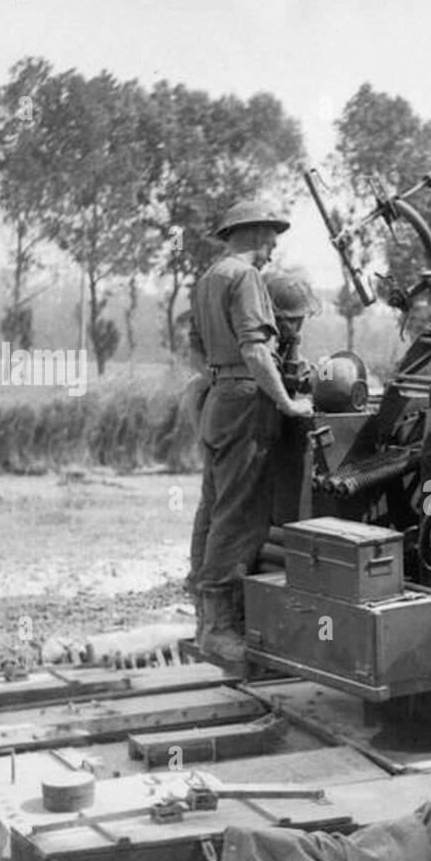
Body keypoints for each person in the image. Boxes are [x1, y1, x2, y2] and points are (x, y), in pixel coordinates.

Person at [186, 201, 313, 666]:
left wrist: (222, 379)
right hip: (245, 400)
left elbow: (196, 351)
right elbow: (257, 350)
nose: (273, 248)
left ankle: (206, 615)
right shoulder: (245, 278)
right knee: (241, 514)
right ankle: (219, 629)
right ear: (254, 232)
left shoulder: (208, 278)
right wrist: (287, 402)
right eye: (271, 237)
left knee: (215, 505)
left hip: (219, 396)